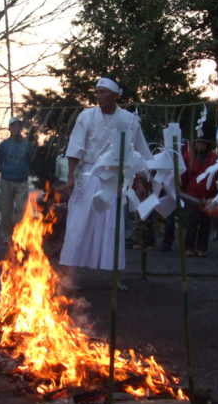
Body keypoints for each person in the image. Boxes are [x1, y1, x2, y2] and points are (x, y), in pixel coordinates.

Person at [60, 76, 151, 273]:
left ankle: (113, 275)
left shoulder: (128, 119)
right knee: (78, 224)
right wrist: (71, 177)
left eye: (103, 92)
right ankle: (69, 276)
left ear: (116, 95)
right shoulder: (86, 116)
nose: (99, 96)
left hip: (114, 179)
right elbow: (75, 147)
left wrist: (139, 179)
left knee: (111, 227)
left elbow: (138, 151)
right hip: (88, 174)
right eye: (97, 92)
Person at [182, 129, 218, 256]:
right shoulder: (189, 157)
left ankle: (202, 248)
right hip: (192, 194)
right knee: (192, 221)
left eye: (204, 143)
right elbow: (184, 176)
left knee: (206, 223)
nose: (201, 145)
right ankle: (189, 247)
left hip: (209, 194)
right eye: (199, 143)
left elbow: (217, 176)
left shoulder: (214, 158)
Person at [0, 116, 32, 240]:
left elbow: (30, 160)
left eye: (19, 125)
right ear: (9, 128)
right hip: (6, 180)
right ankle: (6, 236)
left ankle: (19, 235)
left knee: (22, 210)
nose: (16, 127)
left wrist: (24, 172)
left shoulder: (27, 144)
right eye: (14, 125)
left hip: (21, 181)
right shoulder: (4, 145)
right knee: (6, 210)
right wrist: (6, 172)